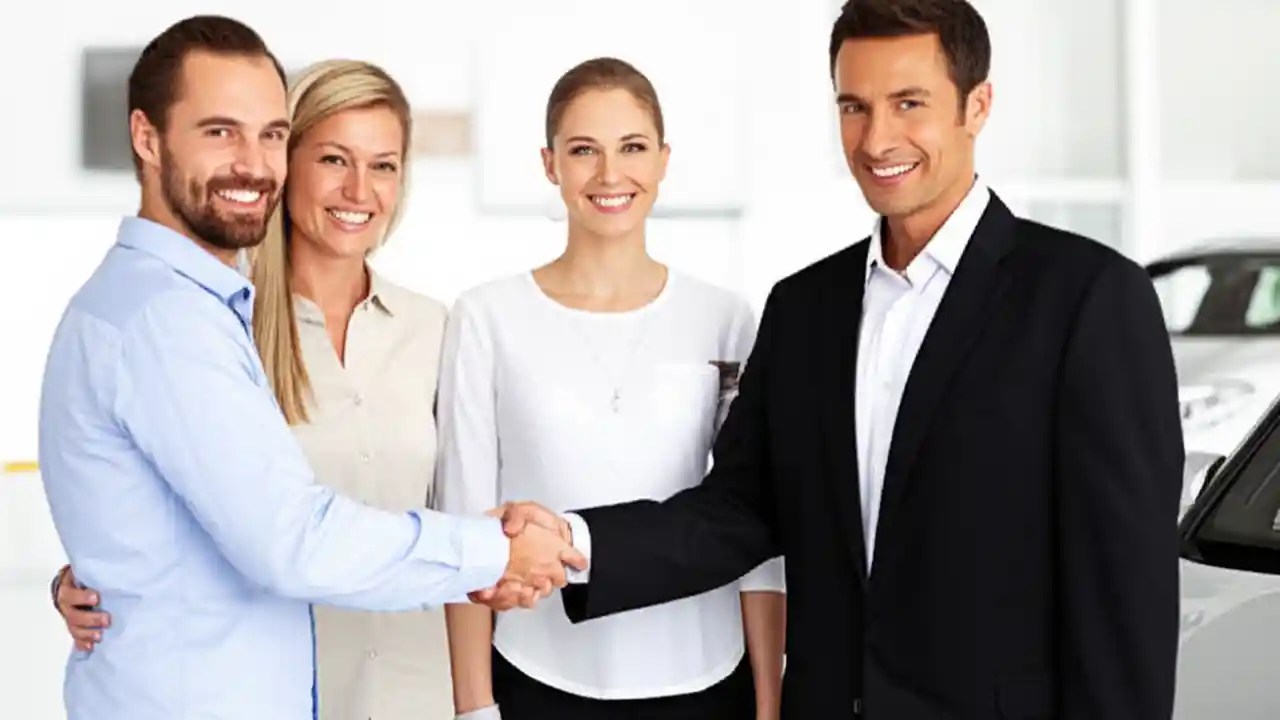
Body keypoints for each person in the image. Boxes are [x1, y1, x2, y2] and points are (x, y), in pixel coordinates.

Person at [486, 1, 1185, 718]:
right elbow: (739, 511)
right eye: (854, 106)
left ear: (978, 105)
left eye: (908, 103)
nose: (876, 138)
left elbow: (1124, 595)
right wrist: (576, 540)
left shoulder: (1088, 299)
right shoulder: (803, 308)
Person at [37, 16, 578, 720]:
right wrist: (493, 553)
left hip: (393, 688)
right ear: (148, 138)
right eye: (220, 131)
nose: (253, 160)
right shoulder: (183, 323)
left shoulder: (432, 327)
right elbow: (289, 538)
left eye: (268, 134)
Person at [436, 57, 786, 720]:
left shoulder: (725, 316)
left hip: (707, 681)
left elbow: (754, 532)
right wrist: (474, 707)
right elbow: (464, 525)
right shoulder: (486, 316)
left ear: (662, 160)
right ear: (550, 164)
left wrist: (768, 704)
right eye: (582, 151)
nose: (609, 175)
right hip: (537, 678)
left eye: (631, 148)